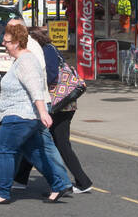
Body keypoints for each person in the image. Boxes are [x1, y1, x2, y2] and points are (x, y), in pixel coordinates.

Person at [0, 23, 72, 205]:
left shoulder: (26, 61)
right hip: (27, 117)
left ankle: (3, 193)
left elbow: (35, 89)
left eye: (6, 41)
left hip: (20, 116)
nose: (3, 44)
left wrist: (43, 113)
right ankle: (59, 184)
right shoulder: (21, 60)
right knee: (35, 152)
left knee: (5, 150)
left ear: (16, 42)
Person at [7, 28, 94, 194]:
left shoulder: (46, 50)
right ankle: (20, 178)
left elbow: (52, 75)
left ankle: (82, 181)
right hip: (63, 103)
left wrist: (33, 84)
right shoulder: (47, 48)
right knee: (37, 139)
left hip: (60, 104)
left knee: (58, 143)